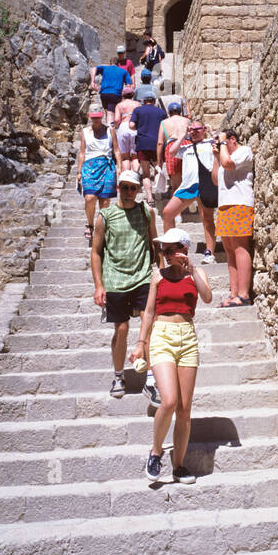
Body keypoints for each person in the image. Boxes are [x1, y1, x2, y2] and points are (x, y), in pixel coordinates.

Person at [130, 228, 212, 484]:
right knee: (169, 401)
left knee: (185, 409)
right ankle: (156, 451)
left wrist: (192, 271)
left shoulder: (196, 274)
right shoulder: (158, 276)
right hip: (162, 335)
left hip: (187, 336)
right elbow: (150, 311)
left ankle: (179, 466)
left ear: (183, 250)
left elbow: (207, 297)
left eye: (169, 250)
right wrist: (140, 344)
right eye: (162, 250)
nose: (165, 254)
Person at [91, 169, 162, 406]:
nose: (129, 192)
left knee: (149, 325)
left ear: (139, 190)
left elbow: (155, 244)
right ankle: (119, 376)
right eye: (125, 187)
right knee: (121, 329)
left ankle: (151, 380)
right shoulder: (105, 216)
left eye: (133, 188)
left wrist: (160, 274)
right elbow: (96, 251)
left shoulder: (147, 212)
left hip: (142, 277)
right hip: (115, 279)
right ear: (118, 187)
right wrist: (99, 285)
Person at [163, 121, 217, 264]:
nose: (194, 132)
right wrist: (182, 135)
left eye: (197, 129)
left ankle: (210, 252)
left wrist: (211, 132)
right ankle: (171, 248)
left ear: (203, 129)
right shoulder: (186, 147)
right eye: (191, 130)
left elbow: (221, 143)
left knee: (207, 218)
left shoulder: (210, 143)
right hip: (187, 186)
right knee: (168, 213)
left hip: (205, 185)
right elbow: (171, 151)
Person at [212, 128, 254, 307]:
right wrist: (216, 156)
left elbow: (229, 164)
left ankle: (244, 294)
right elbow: (215, 179)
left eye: (222, 141)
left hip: (240, 204)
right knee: (229, 249)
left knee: (239, 247)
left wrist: (222, 144)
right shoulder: (222, 156)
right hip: (225, 205)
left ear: (232, 139)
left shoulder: (244, 151)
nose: (219, 144)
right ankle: (234, 292)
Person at [74, 107, 118, 241]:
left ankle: (102, 226)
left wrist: (120, 168)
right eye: (94, 117)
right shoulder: (85, 132)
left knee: (105, 201)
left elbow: (116, 150)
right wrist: (79, 171)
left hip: (107, 165)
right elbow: (82, 152)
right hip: (90, 167)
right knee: (90, 197)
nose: (96, 120)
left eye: (98, 117)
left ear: (102, 116)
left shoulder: (110, 131)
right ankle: (90, 224)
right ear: (90, 117)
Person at [130, 89, 167, 200]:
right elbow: (166, 127)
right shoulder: (161, 112)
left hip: (143, 143)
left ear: (143, 101)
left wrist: (140, 127)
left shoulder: (138, 110)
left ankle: (150, 198)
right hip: (157, 144)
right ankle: (158, 193)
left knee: (145, 173)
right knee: (157, 169)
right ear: (154, 101)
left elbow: (131, 125)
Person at [90, 52, 133, 126]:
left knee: (108, 112)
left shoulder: (105, 68)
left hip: (103, 94)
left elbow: (93, 68)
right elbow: (129, 85)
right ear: (118, 64)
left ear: (109, 63)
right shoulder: (123, 71)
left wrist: (92, 82)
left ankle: (110, 127)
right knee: (111, 113)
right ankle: (111, 130)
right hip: (115, 94)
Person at [158, 100, 189, 196]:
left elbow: (160, 142)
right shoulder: (187, 121)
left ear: (169, 112)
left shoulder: (164, 122)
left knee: (175, 184)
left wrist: (159, 161)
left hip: (172, 146)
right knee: (188, 177)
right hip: (187, 144)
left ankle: (177, 210)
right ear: (180, 112)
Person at [114, 85, 140, 175]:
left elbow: (117, 120)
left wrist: (116, 125)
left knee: (125, 157)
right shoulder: (137, 104)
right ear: (132, 95)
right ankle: (136, 176)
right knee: (135, 157)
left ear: (123, 95)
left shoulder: (119, 105)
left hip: (124, 127)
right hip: (135, 128)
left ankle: (127, 177)